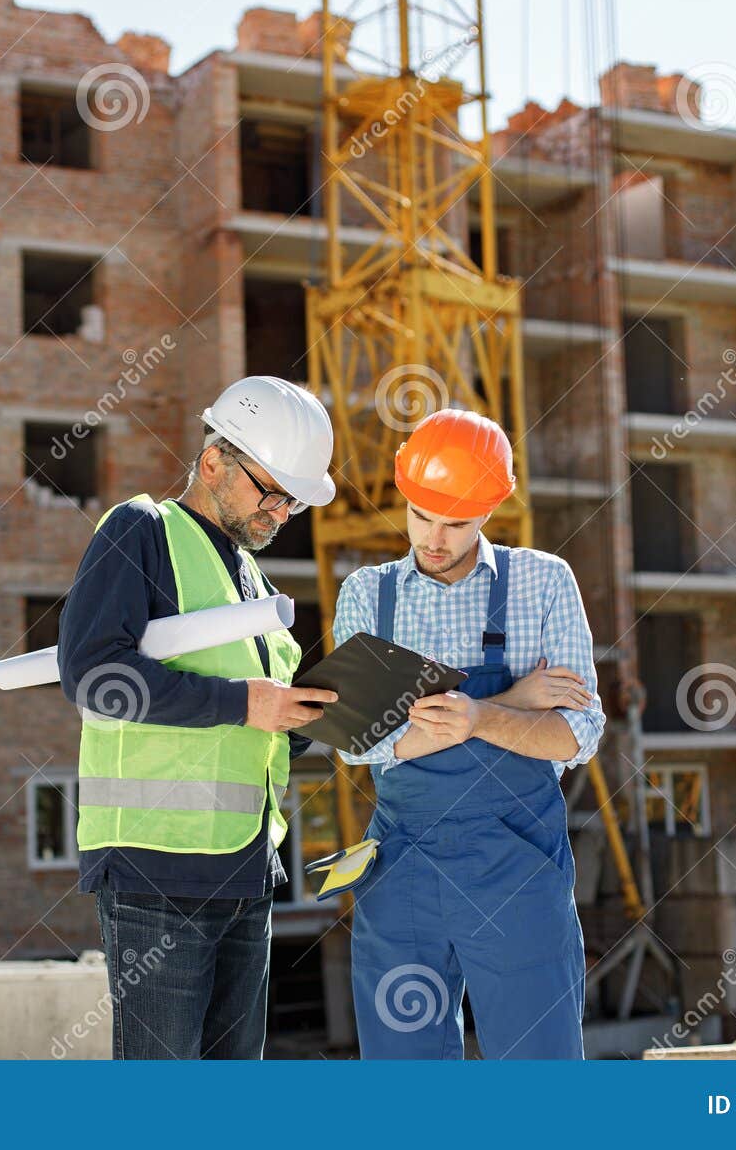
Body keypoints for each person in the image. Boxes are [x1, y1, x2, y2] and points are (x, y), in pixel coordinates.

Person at [56, 375, 338, 1059]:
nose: (279, 511)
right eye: (269, 491)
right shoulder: (143, 532)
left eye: (292, 501)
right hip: (159, 873)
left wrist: (310, 721)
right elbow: (93, 672)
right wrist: (247, 702)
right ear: (214, 462)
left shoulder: (256, 582)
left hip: (246, 871)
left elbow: (253, 734)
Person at [331, 407, 605, 1059]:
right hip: (400, 863)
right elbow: (355, 740)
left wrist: (474, 716)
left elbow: (577, 734)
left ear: (490, 509)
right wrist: (512, 703)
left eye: (455, 523)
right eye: (421, 515)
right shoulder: (368, 595)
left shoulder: (543, 582)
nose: (434, 537)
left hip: (515, 863)